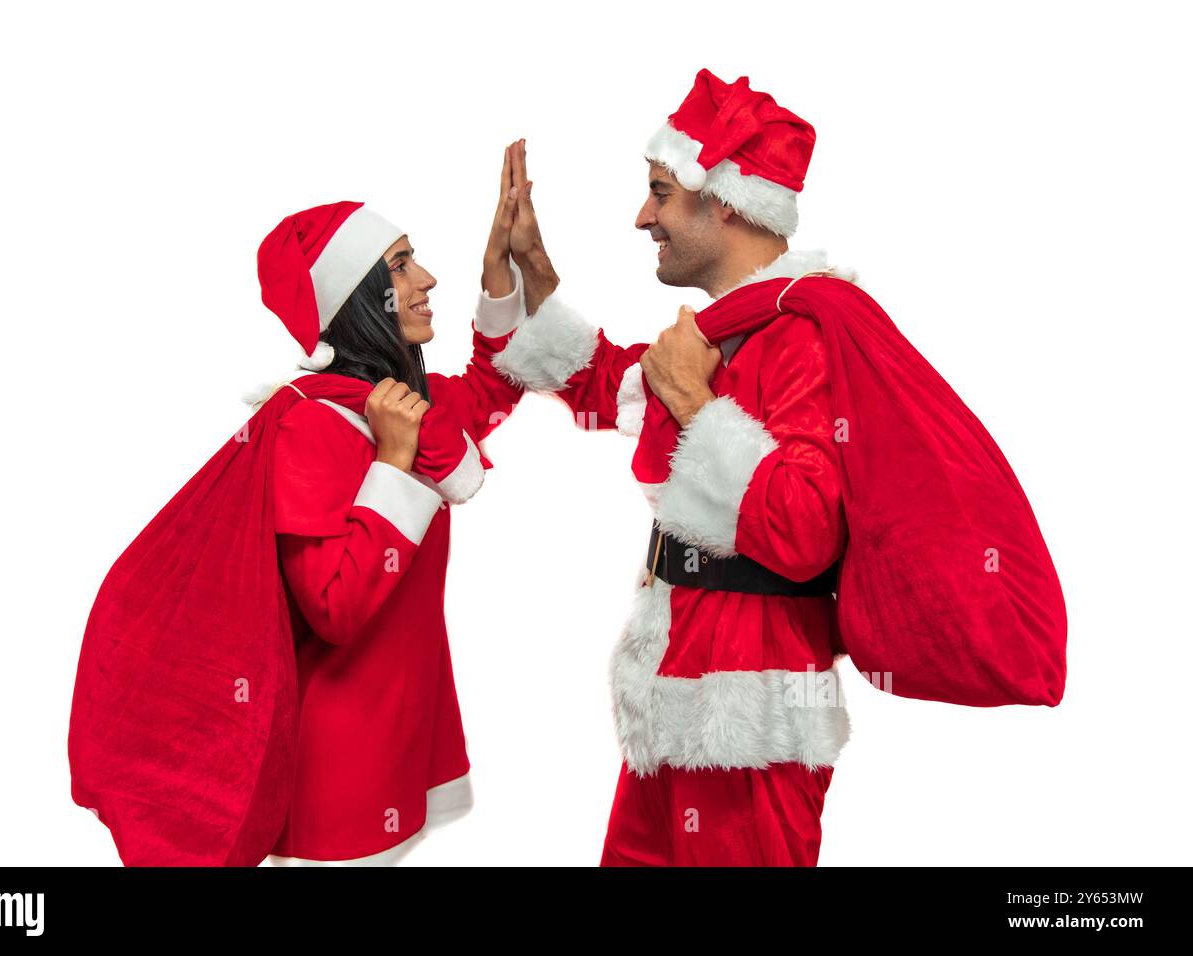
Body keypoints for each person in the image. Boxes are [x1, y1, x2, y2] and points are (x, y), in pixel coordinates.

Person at [488, 76, 854, 866]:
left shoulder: (805, 334)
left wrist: (692, 398)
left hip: (750, 722)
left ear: (725, 203)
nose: (642, 216)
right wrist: (533, 271)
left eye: (660, 193)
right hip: (677, 695)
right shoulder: (732, 329)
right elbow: (611, 388)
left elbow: (807, 529)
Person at [255, 150, 532, 866]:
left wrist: (499, 271)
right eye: (401, 266)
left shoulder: (406, 408)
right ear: (358, 299)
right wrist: (392, 463)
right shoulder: (313, 425)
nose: (426, 278)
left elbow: (494, 387)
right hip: (338, 767)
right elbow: (334, 609)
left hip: (400, 735)